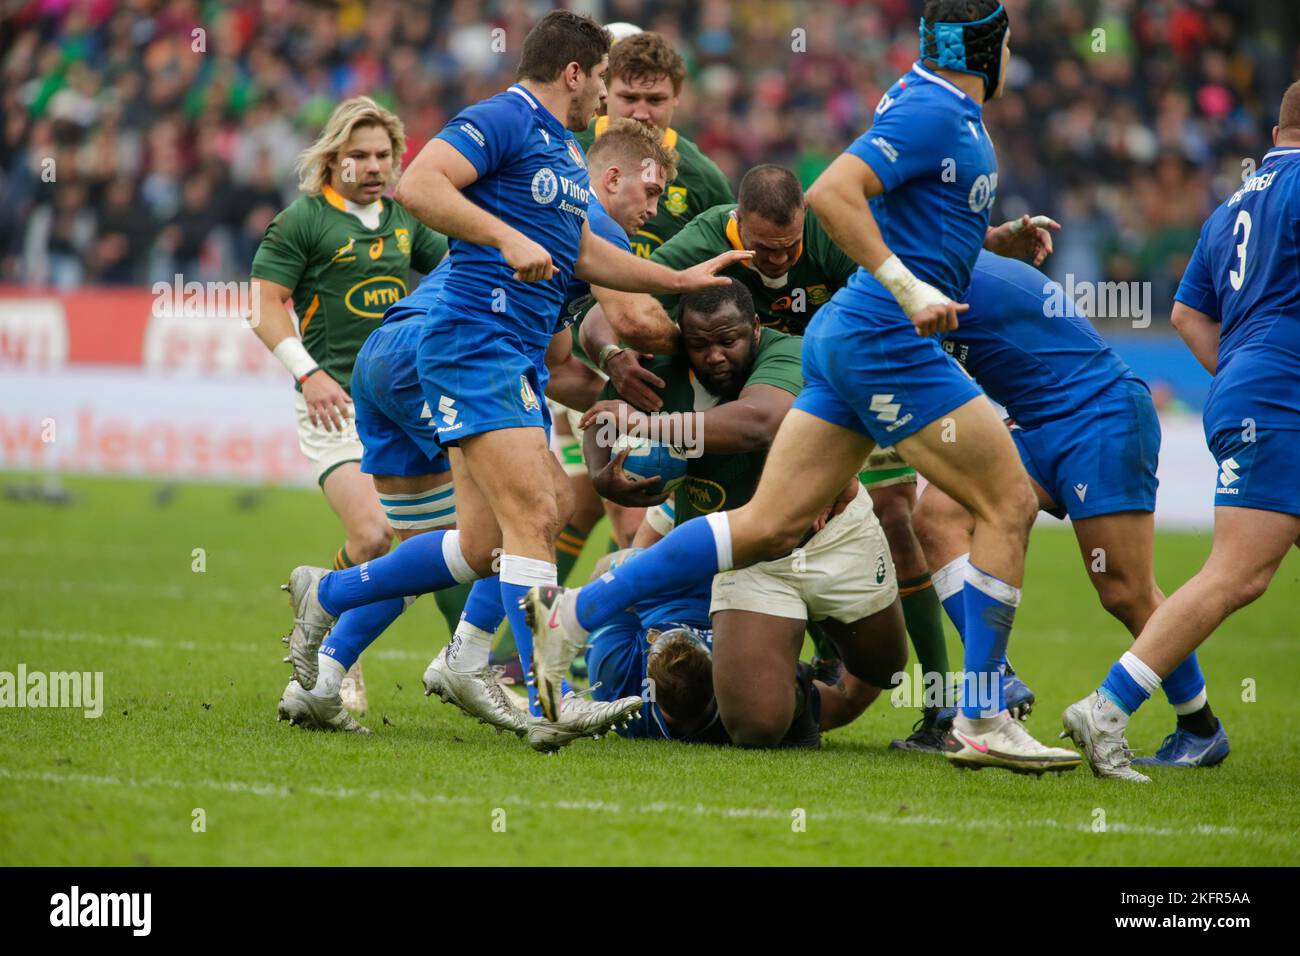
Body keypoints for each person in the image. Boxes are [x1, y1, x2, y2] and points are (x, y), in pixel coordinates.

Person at [526, 1, 1084, 775]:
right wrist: (908, 290)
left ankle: (575, 615)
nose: (1013, 48)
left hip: (848, 339)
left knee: (768, 524)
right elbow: (835, 194)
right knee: (1007, 502)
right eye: (1006, 37)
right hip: (885, 338)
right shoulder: (931, 106)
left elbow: (907, 222)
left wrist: (990, 244)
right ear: (984, 46)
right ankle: (981, 709)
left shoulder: (936, 107)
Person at [278, 12, 747, 732]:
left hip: (476, 351)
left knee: (481, 543)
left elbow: (588, 261)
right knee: (542, 510)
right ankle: (547, 699)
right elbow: (420, 186)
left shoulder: (560, 156)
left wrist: (682, 281)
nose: (607, 94)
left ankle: (336, 605)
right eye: (602, 79)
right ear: (573, 74)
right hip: (472, 343)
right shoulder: (507, 117)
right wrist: (505, 237)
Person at [1061, 85, 1300, 781]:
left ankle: (1185, 729)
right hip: (1280, 399)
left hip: (1255, 391)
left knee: (1240, 571)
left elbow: (1188, 314)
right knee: (1238, 573)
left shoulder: (1230, 207)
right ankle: (1108, 706)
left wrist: (1243, 372)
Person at [912, 250, 1225, 764]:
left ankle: (1200, 727)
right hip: (1034, 425)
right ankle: (994, 683)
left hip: (1099, 413)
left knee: (1124, 591)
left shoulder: (934, 272)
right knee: (938, 514)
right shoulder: (935, 263)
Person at [580, 279, 906, 747]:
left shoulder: (788, 351)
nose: (714, 355)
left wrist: (648, 425)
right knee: (755, 728)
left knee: (887, 671)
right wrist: (599, 473)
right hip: (744, 554)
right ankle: (789, 680)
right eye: (699, 344)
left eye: (727, 341)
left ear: (755, 328)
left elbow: (759, 424)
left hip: (829, 536)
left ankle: (815, 638)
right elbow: (603, 411)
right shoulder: (661, 369)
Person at [250, 96, 449, 712]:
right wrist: (310, 376)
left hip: (396, 404)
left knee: (438, 542)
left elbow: (454, 274)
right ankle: (338, 637)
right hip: (331, 405)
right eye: (358, 155)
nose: (372, 166)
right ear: (333, 159)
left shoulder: (406, 220)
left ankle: (466, 656)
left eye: (383, 155)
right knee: (372, 535)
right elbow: (263, 306)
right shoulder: (303, 220)